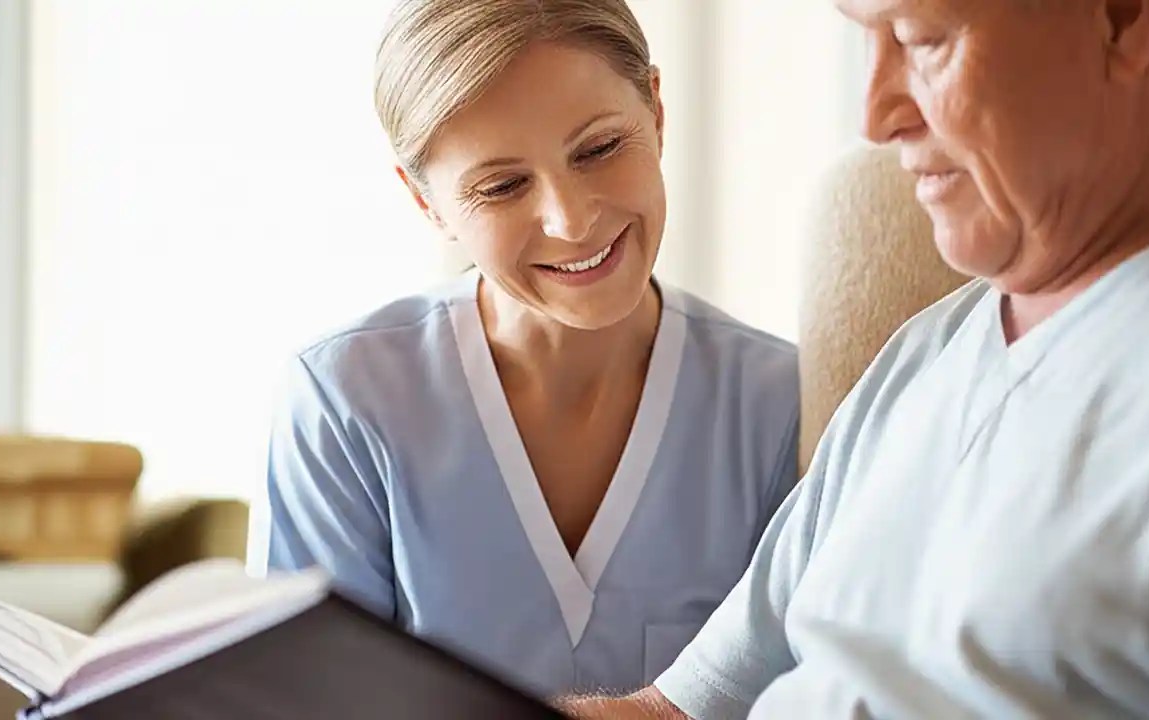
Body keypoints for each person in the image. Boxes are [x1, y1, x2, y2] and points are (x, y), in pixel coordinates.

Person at [561, 0, 1149, 717]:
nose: (875, 115)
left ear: (1120, 16)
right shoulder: (932, 350)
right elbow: (676, 710)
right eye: (868, 40)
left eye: (923, 41)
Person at [245, 0, 801, 700]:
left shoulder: (786, 407)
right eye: (502, 186)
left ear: (656, 113)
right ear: (428, 206)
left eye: (599, 148)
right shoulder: (343, 405)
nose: (571, 221)